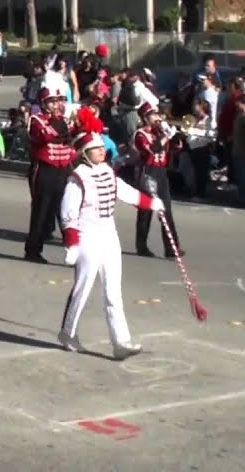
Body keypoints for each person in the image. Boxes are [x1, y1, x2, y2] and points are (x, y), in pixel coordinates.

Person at [58, 107, 160, 358]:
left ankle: (120, 341)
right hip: (87, 237)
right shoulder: (77, 177)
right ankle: (68, 332)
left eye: (102, 147)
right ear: (84, 152)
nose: (102, 150)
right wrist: (71, 244)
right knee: (83, 288)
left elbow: (125, 192)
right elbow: (68, 212)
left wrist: (150, 203)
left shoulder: (107, 171)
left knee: (113, 291)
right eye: (96, 148)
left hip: (109, 235)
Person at [25, 86, 76, 263]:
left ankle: (74, 249)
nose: (57, 105)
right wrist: (60, 123)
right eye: (53, 101)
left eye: (59, 101)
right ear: (44, 104)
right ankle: (32, 250)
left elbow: (71, 139)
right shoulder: (36, 120)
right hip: (44, 170)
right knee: (41, 211)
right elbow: (48, 136)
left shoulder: (65, 119)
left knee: (67, 210)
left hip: (63, 169)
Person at [132, 103, 184, 258]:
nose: (157, 118)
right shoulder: (140, 134)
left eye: (157, 114)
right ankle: (141, 246)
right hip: (147, 173)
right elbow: (150, 150)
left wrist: (175, 137)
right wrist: (165, 136)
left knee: (166, 211)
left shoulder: (160, 132)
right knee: (146, 211)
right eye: (153, 115)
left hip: (161, 173)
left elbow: (173, 149)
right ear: (145, 118)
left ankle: (171, 248)